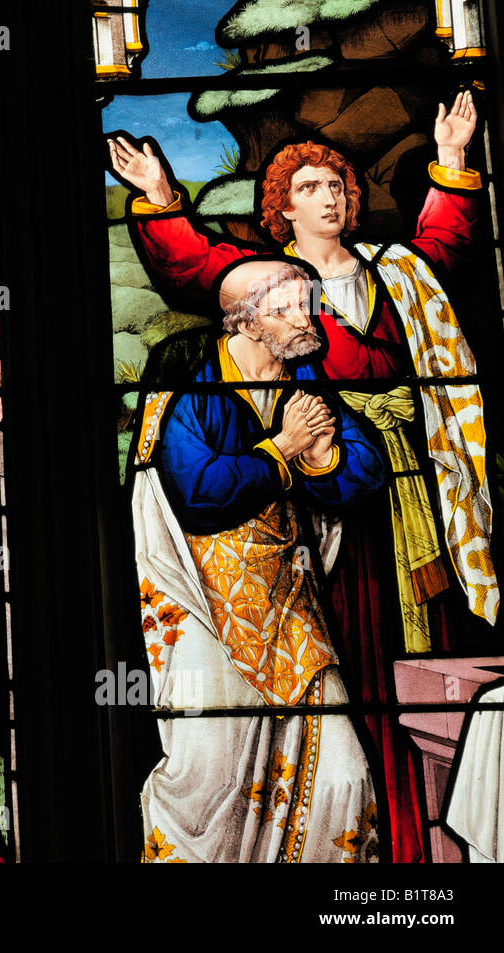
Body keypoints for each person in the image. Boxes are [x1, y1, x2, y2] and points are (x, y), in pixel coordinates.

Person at [109, 92, 492, 862]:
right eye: (310, 187)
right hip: (316, 545)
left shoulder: (398, 270)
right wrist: (157, 197)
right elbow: (193, 268)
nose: (332, 197)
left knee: (427, 671)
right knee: (354, 661)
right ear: (279, 209)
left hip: (416, 496)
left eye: (339, 185)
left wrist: (450, 164)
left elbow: (443, 257)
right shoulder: (255, 287)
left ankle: (421, 850)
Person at [133, 259, 385, 862]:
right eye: (286, 308)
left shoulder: (303, 388)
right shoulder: (193, 388)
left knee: (344, 768)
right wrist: (284, 449)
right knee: (208, 768)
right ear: (244, 322)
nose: (305, 317)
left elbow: (366, 472)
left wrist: (323, 458)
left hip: (288, 602)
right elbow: (199, 494)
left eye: (308, 303)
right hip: (199, 600)